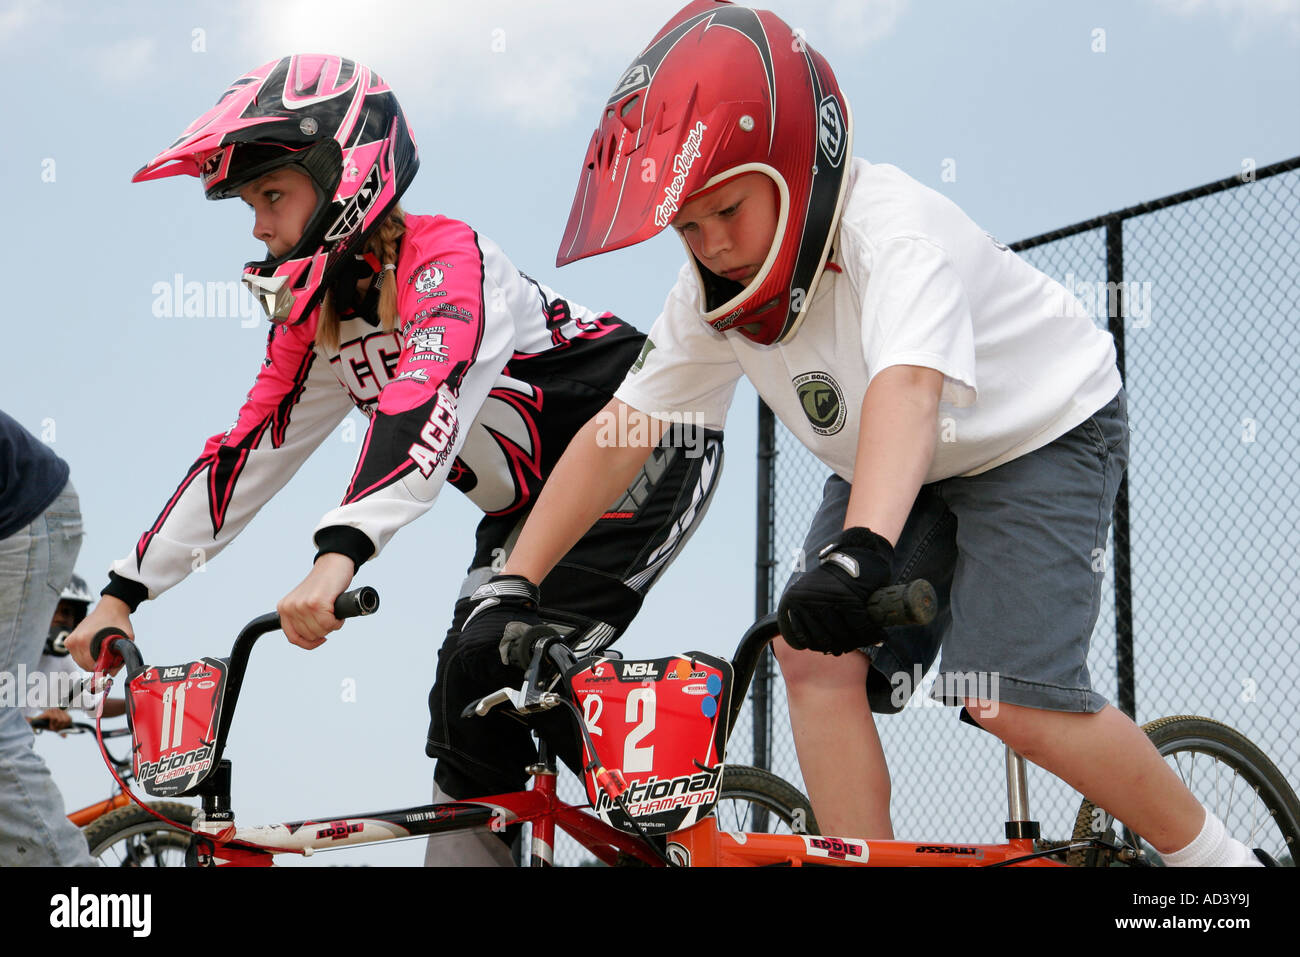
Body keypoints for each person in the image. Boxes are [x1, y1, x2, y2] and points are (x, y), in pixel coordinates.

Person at [487, 0, 1266, 865]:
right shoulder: (707, 298)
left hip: (1036, 429)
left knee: (1008, 697)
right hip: (898, 459)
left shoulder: (890, 231)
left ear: (793, 169)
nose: (711, 247)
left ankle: (1222, 864)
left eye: (728, 212)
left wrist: (860, 550)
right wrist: (514, 582)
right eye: (688, 227)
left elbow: (909, 390)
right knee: (812, 655)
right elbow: (624, 429)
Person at [66, 55, 722, 866]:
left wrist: (334, 558)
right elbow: (243, 457)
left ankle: (679, 831)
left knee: (494, 661)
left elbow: (420, 402)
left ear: (349, 178)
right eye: (248, 204)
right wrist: (125, 592)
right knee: (463, 707)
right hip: (528, 508)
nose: (258, 227)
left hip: (645, 454)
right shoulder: (320, 322)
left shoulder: (449, 263)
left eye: (272, 196)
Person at [0, 410, 94, 866]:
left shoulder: (50, 659)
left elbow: (86, 697)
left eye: (69, 614)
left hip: (21, 515)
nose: (60, 621)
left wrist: (137, 708)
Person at [26, 575, 126, 731]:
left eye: (66, 612)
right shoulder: (7, 650)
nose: (59, 618)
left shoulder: (58, 661)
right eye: (52, 609)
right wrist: (32, 721)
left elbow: (92, 703)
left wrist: (139, 701)